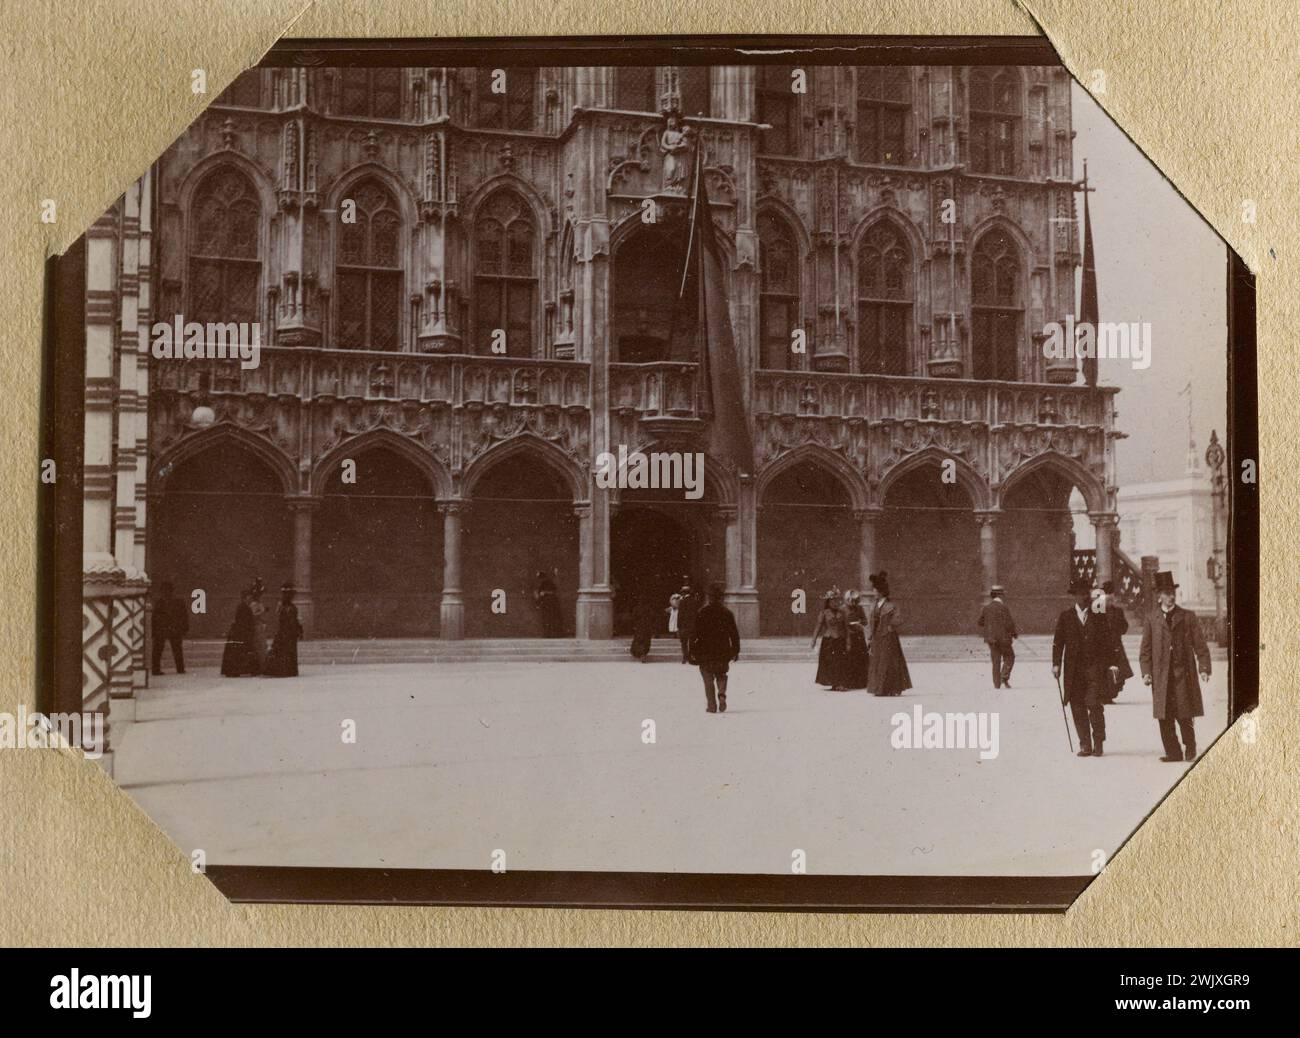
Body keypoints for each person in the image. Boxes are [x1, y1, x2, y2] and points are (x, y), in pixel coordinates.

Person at [1139, 571, 1211, 763]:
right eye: (1166, 592)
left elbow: (1200, 645)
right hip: (1161, 675)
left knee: (1184, 713)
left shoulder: (1187, 616)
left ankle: (1190, 747)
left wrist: (1204, 667)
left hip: (1182, 673)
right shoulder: (1151, 618)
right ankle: (1173, 752)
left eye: (1173, 592)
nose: (1171, 596)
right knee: (1164, 715)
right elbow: (1145, 651)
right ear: (1159, 595)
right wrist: (1146, 673)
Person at [1052, 577, 1121, 757]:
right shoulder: (1066, 617)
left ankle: (1098, 742)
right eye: (1080, 594)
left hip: (1094, 668)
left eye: (1086, 593)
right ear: (1074, 596)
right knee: (1077, 706)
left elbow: (1108, 641)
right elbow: (1058, 642)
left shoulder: (1098, 616)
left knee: (1093, 703)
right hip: (1073, 670)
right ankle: (1085, 744)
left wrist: (1112, 663)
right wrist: (1056, 664)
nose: (1084, 597)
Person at [687, 582, 740, 713]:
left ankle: (712, 705)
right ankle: (721, 694)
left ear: (709, 597)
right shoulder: (727, 613)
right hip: (723, 651)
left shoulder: (702, 612)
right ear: (721, 598)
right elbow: (734, 634)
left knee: (708, 678)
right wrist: (735, 650)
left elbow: (694, 634)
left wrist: (692, 651)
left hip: (705, 652)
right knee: (721, 674)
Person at [866, 572, 912, 697]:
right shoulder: (874, 605)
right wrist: (870, 638)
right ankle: (879, 689)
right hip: (877, 638)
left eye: (875, 590)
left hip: (888, 637)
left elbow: (899, 618)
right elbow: (871, 623)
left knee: (888, 663)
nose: (874, 592)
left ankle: (891, 688)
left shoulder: (892, 605)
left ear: (881, 591)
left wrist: (890, 626)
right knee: (877, 663)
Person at [1098, 580, 1134, 703]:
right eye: (1106, 599)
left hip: (1115, 646)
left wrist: (1117, 630)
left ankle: (1110, 695)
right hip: (1101, 646)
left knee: (1117, 671)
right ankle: (1103, 695)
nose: (1109, 601)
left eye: (1110, 599)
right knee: (1101, 670)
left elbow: (1124, 627)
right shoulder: (1096, 612)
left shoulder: (1118, 611)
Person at [977, 585, 1017, 689]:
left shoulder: (986, 608)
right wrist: (1014, 633)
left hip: (991, 639)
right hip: (1004, 639)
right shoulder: (1004, 608)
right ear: (1001, 596)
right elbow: (1009, 623)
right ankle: (1004, 676)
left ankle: (997, 684)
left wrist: (990, 626)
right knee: (1009, 657)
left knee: (995, 661)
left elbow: (980, 622)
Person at [220, 580, 263, 677]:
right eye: (248, 597)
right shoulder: (244, 607)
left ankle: (242, 670)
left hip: (241, 633)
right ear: (245, 598)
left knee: (243, 652)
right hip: (242, 633)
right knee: (246, 651)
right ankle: (249, 669)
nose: (250, 599)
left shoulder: (243, 607)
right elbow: (245, 621)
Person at [264, 583, 304, 678]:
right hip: (287, 632)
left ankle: (284, 670)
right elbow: (291, 620)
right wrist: (298, 630)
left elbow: (291, 620)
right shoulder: (288, 607)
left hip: (285, 632)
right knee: (287, 651)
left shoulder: (285, 606)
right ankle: (287, 670)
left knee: (285, 650)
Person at [150, 580, 188, 676]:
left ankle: (156, 669)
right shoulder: (177, 602)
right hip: (171, 628)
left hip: (163, 629)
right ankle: (180, 668)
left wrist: (154, 631)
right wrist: (184, 628)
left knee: (159, 650)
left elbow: (154, 618)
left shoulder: (160, 602)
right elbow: (184, 616)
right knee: (176, 649)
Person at [842, 590, 870, 690]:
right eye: (851, 601)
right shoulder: (843, 609)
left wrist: (859, 623)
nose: (853, 603)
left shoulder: (859, 609)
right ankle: (849, 682)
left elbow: (865, 621)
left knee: (860, 659)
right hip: (848, 636)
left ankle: (861, 682)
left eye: (855, 601)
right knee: (849, 659)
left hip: (858, 637)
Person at [534, 570, 563, 638]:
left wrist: (542, 594)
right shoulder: (548, 583)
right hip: (550, 604)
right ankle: (551, 634)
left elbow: (541, 594)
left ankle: (548, 634)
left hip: (547, 604)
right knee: (551, 619)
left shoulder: (545, 583)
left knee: (548, 619)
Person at [675, 583, 699, 664]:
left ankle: (685, 657)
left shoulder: (682, 601)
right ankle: (691, 656)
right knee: (692, 642)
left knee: (684, 642)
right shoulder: (694, 601)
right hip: (693, 625)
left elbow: (680, 615)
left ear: (683, 593)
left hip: (684, 626)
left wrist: (678, 626)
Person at [630, 591, 657, 662]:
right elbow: (652, 617)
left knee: (639, 640)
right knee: (646, 641)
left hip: (639, 626)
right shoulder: (648, 608)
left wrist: (634, 625)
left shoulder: (636, 608)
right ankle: (643, 654)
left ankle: (641, 654)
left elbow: (634, 617)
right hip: (647, 626)